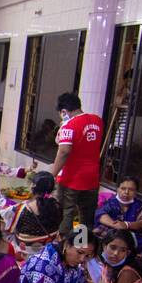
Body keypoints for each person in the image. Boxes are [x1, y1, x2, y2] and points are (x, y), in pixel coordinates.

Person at [50, 92, 103, 236]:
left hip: (71, 178)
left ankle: (64, 247)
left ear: (64, 112)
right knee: (86, 216)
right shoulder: (97, 120)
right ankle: (81, 247)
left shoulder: (70, 125)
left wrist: (52, 175)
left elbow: (64, 151)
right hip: (92, 178)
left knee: (66, 213)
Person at [94, 176, 142, 248]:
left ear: (135, 192)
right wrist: (116, 226)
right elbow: (101, 215)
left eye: (131, 189)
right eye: (123, 188)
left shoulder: (141, 206)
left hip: (130, 237)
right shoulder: (109, 201)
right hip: (110, 233)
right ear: (118, 189)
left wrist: (126, 225)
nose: (126, 192)